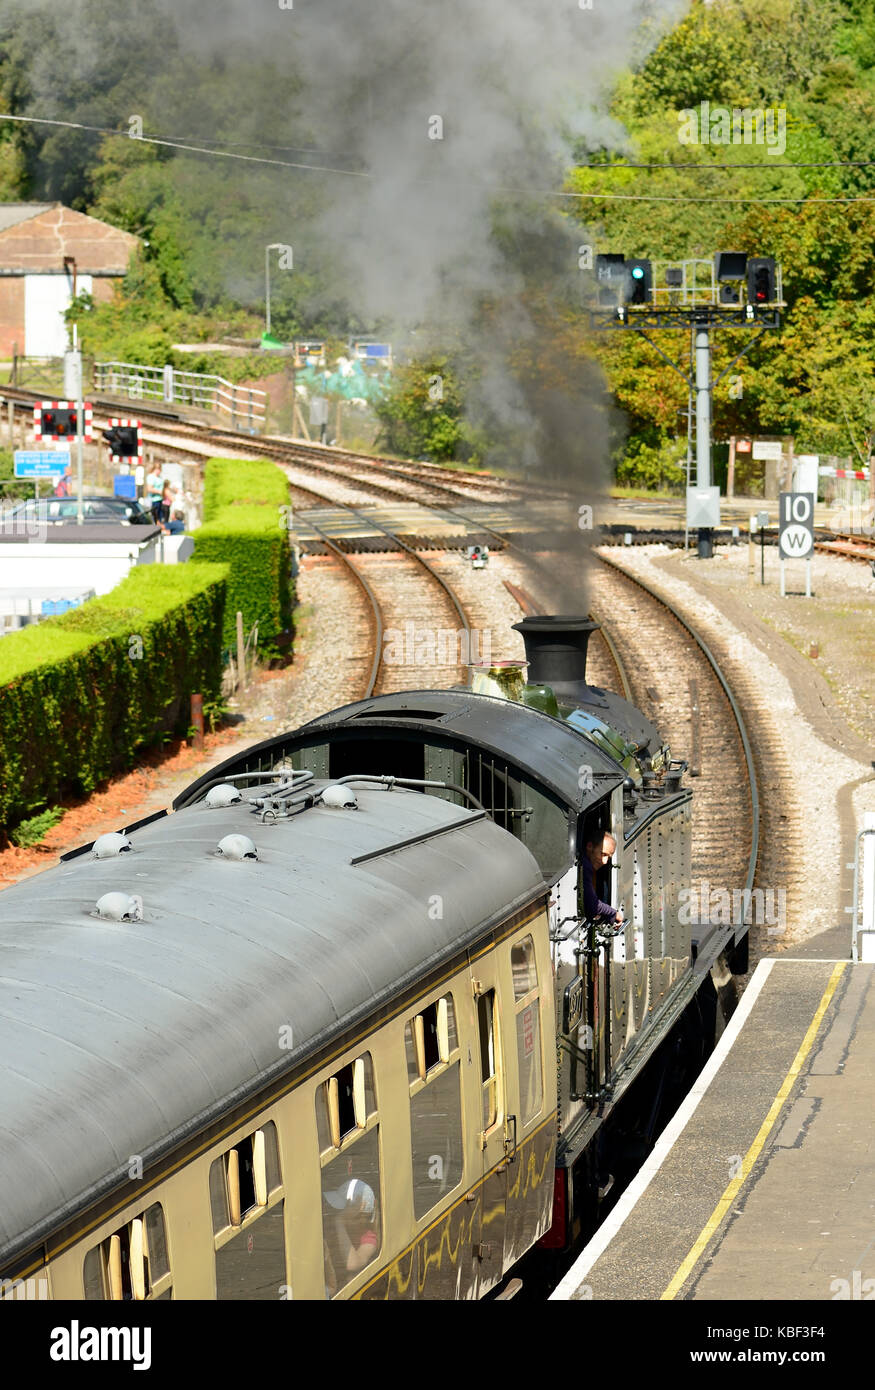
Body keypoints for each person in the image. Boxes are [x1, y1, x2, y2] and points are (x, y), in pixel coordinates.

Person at [324, 1178, 378, 1280]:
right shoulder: (337, 1231)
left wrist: (339, 1221)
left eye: (341, 1211)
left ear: (358, 1214)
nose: (336, 1213)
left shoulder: (369, 1239)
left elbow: (352, 1264)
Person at [582, 831, 624, 926]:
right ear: (589, 846)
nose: (605, 862)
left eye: (608, 857)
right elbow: (592, 905)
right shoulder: (585, 866)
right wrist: (613, 913)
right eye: (603, 854)